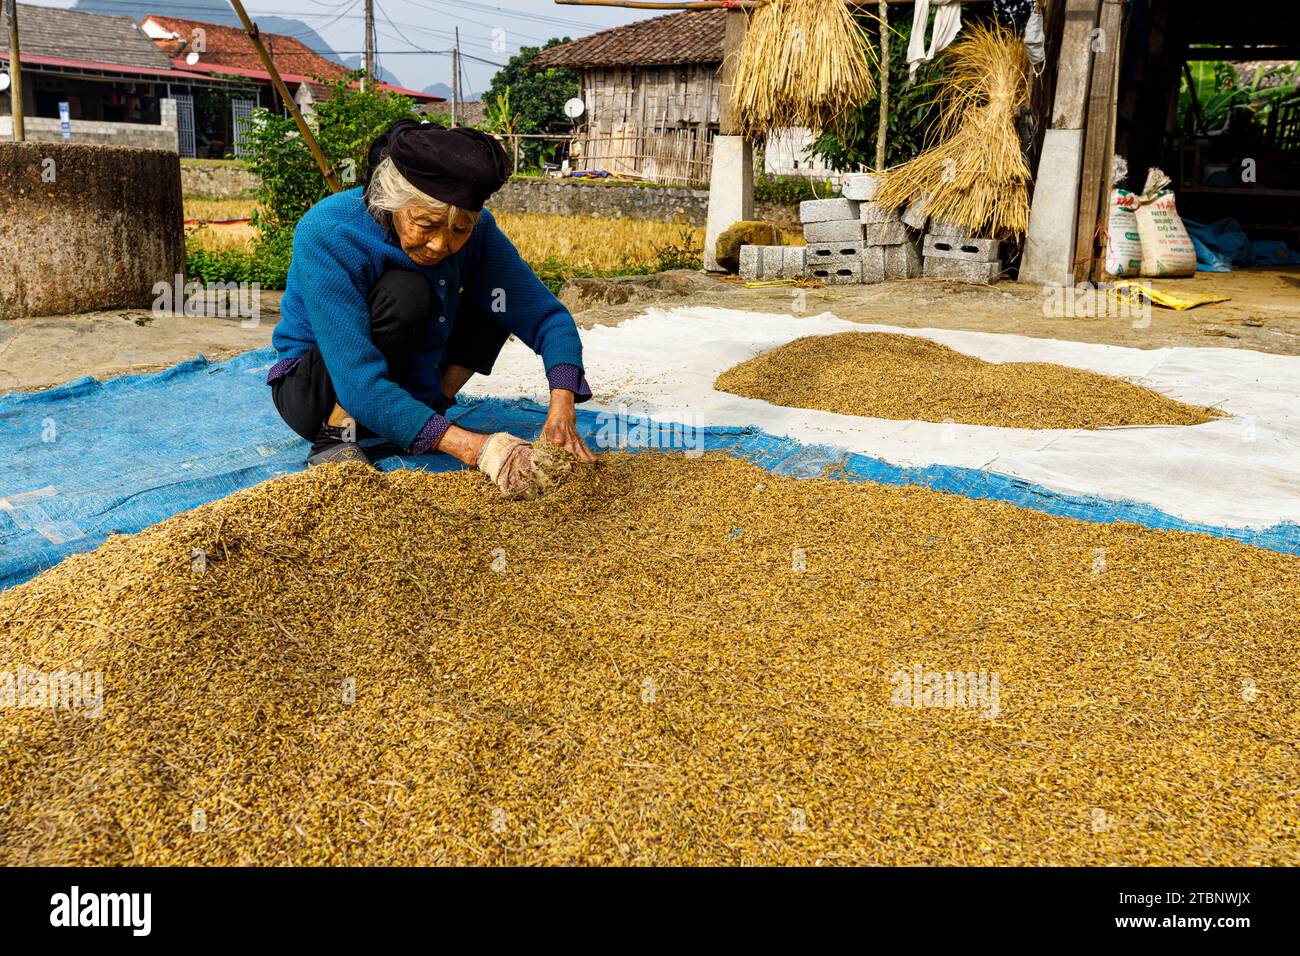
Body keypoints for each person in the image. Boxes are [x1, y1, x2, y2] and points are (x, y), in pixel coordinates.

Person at [266, 118, 597, 496]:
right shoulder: (329, 231)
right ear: (392, 201)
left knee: (498, 302)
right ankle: (336, 436)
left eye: (459, 230)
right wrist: (479, 449)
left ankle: (429, 409)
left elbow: (546, 316)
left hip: (410, 379)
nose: (441, 245)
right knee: (407, 291)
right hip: (319, 390)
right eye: (426, 224)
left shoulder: (478, 231)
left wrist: (561, 407)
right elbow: (357, 379)